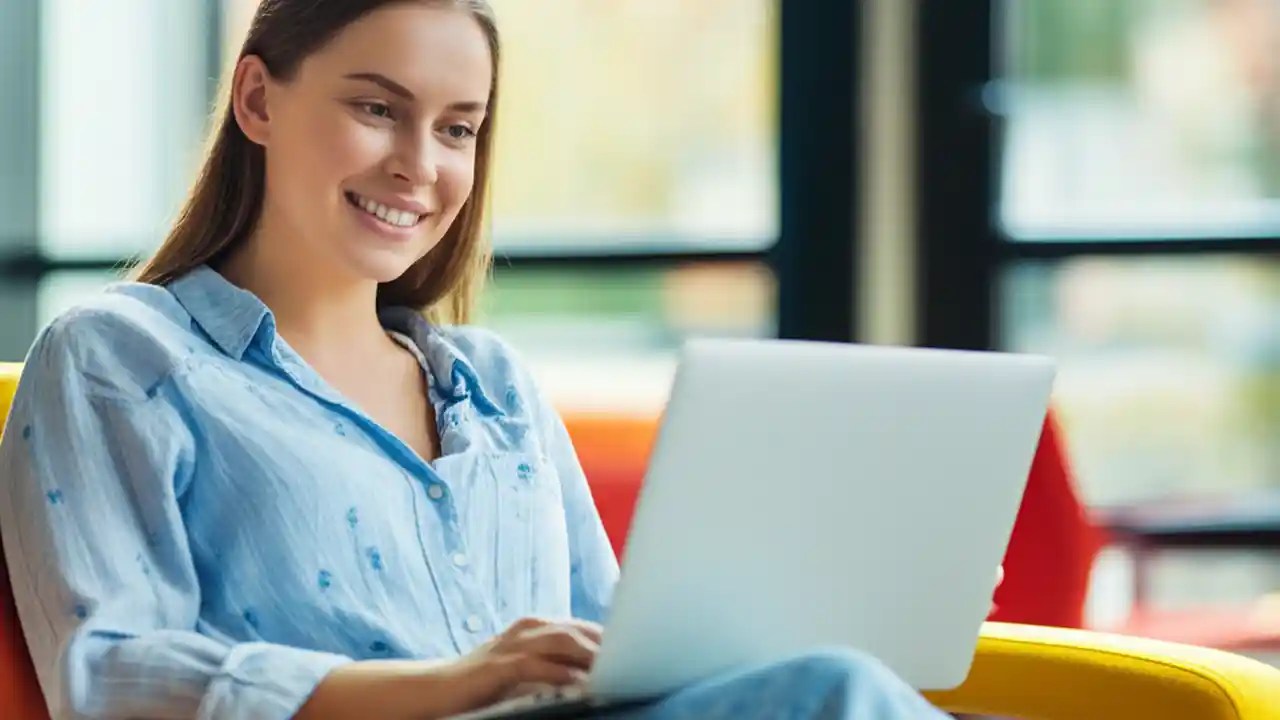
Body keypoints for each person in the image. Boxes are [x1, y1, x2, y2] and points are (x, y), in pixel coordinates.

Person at [0, 2, 969, 718]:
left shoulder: (490, 382)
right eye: (378, 109)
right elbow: (112, 676)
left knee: (849, 687)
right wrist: (452, 682)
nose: (421, 164)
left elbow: (610, 651)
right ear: (257, 99)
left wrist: (876, 587)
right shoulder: (121, 355)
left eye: (457, 127)